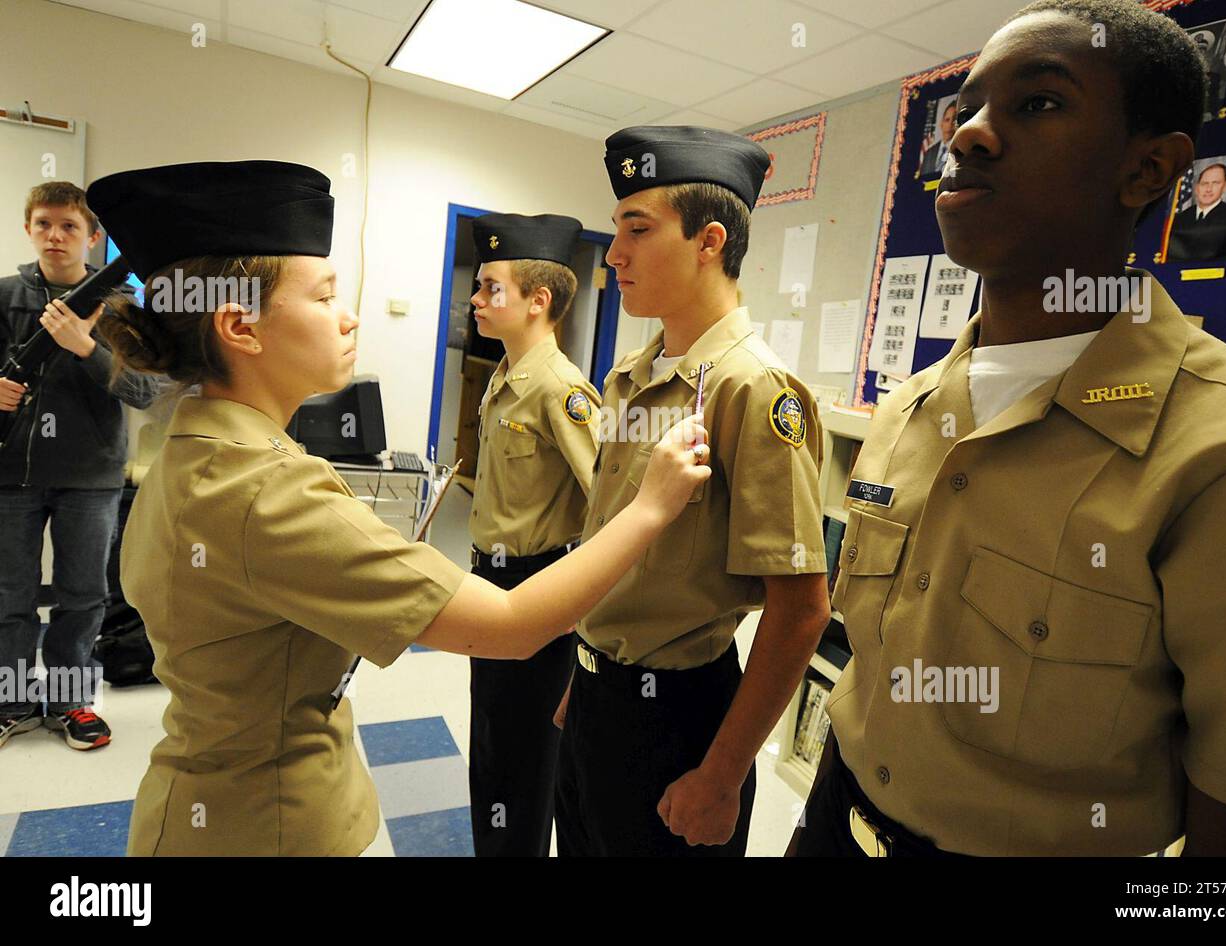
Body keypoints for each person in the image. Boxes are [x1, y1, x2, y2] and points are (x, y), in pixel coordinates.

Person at [787, 0, 1226, 858]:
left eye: (1040, 103)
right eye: (967, 110)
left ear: (1147, 170)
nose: (970, 137)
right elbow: (872, 678)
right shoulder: (912, 409)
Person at [86, 160, 711, 856]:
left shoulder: (190, 443)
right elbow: (510, 626)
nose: (348, 316)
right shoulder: (263, 489)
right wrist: (651, 508)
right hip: (266, 821)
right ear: (241, 326)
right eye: (324, 298)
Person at [553, 126, 831, 857]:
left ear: (709, 242)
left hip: (675, 720)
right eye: (617, 231)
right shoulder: (630, 377)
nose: (615, 254)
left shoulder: (756, 390)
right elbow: (612, 546)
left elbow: (801, 610)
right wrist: (584, 675)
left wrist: (722, 775)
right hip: (594, 696)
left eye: (637, 231)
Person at [0, 181, 160, 751]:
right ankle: (13, 703)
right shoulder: (5, 296)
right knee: (10, 597)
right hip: (10, 476)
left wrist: (87, 348)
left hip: (90, 477)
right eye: (44, 223)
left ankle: (70, 702)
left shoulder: (119, 305)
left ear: (92, 236)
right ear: (28, 229)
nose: (55, 235)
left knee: (82, 596)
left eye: (69, 226)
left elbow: (145, 389)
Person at [464, 212, 599, 857]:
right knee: (492, 737)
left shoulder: (560, 389)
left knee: (522, 755)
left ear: (537, 302)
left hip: (536, 584)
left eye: (491, 288)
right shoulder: (505, 373)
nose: (476, 299)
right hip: (489, 579)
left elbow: (608, 501)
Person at [1166, 163, 1226, 261]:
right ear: (1197, 188)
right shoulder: (1177, 220)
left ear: (1225, 186)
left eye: (1215, 183)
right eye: (1204, 183)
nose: (1208, 189)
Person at [920, 101, 957, 177]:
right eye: (947, 120)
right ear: (941, 123)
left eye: (954, 120)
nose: (950, 124)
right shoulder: (929, 153)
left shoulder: (961, 150)